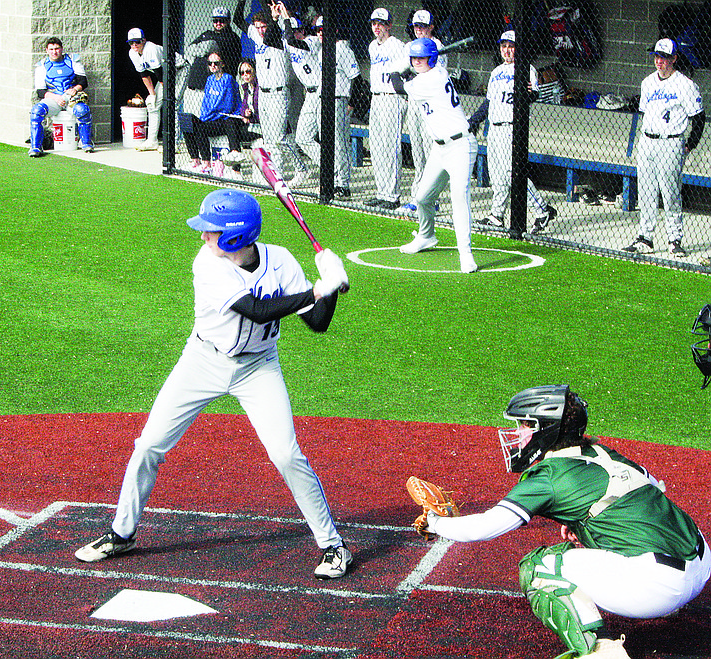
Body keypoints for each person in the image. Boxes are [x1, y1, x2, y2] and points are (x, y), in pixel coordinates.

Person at [75, 188, 353, 581]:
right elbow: (256, 311)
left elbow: (317, 321)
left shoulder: (281, 261)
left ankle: (333, 545)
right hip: (202, 361)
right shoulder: (206, 264)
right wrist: (317, 290)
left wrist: (332, 288)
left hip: (259, 368)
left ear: (236, 236)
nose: (204, 236)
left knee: (286, 454)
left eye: (212, 230)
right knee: (149, 444)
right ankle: (121, 534)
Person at [418, 384, 710, 659]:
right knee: (597, 538)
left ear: (545, 430)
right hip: (701, 563)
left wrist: (435, 522)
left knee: (539, 567)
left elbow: (485, 527)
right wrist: (587, 520)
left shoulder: (550, 477)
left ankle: (601, 651)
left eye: (524, 425)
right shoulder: (601, 453)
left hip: (658, 588)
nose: (517, 433)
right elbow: (652, 489)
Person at [389, 38, 478, 273]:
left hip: (460, 146)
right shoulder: (436, 73)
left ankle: (466, 254)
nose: (417, 62)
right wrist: (408, 68)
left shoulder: (429, 80)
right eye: (414, 58)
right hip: (440, 149)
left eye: (421, 58)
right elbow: (410, 80)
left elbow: (397, 85)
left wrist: (398, 70)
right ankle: (426, 236)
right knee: (422, 197)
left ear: (432, 59)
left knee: (459, 198)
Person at [468, 30, 557, 235]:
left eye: (511, 46)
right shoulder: (496, 71)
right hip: (494, 128)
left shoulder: (526, 68)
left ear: (518, 49)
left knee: (512, 173)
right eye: (504, 46)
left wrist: (528, 94)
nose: (507, 50)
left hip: (512, 127)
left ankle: (542, 210)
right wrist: (474, 120)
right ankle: (496, 215)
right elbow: (488, 102)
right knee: (497, 175)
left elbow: (533, 94)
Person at [623, 38, 705, 258]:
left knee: (670, 193)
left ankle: (674, 239)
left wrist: (691, 144)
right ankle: (645, 238)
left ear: (674, 59)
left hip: (671, 142)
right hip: (648, 142)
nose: (659, 61)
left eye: (664, 57)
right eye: (657, 56)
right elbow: (644, 112)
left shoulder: (685, 85)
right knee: (646, 191)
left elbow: (699, 118)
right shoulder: (647, 82)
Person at [234, 0, 307, 186]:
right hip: (263, 93)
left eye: (263, 27)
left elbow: (270, 37)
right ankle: (275, 175)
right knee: (269, 139)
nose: (260, 30)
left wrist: (275, 18)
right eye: (257, 27)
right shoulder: (257, 35)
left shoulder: (280, 40)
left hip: (278, 93)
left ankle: (298, 170)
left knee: (279, 139)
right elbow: (237, 20)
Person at [398, 10, 447, 216]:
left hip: (431, 106)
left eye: (423, 26)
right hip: (413, 103)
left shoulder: (438, 46)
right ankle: (417, 197)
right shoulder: (409, 46)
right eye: (416, 26)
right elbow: (402, 72)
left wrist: (410, 71)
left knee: (429, 153)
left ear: (431, 27)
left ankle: (431, 200)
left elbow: (432, 74)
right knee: (417, 154)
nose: (419, 29)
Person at [316, 16, 361, 200]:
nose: (320, 33)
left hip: (338, 99)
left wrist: (352, 103)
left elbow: (357, 78)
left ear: (333, 30)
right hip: (322, 100)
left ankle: (343, 184)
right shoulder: (322, 49)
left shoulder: (342, 48)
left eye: (323, 29)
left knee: (340, 144)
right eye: (318, 30)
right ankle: (331, 180)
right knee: (325, 142)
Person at [365, 8, 406, 210]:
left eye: (381, 23)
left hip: (392, 97)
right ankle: (382, 192)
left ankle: (392, 195)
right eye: (374, 23)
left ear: (389, 25)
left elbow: (406, 70)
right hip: (376, 97)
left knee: (390, 147)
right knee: (376, 147)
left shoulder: (397, 45)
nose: (377, 27)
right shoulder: (372, 46)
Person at [29, 37, 94, 156]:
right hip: (53, 98)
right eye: (51, 49)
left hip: (70, 97)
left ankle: (86, 143)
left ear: (62, 49)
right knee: (36, 111)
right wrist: (56, 98)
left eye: (57, 48)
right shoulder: (42, 66)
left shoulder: (72, 60)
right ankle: (36, 146)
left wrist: (75, 89)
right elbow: (40, 91)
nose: (54, 52)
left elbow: (83, 81)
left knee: (82, 110)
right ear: (47, 50)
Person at [280, 10, 322, 189]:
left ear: (303, 31)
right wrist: (276, 14)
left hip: (322, 91)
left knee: (326, 137)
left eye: (298, 31)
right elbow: (277, 39)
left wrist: (286, 18)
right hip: (310, 94)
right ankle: (328, 168)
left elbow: (292, 40)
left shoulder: (312, 41)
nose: (295, 34)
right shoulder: (289, 44)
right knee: (302, 138)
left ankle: (333, 172)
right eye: (292, 31)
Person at [183, 53, 241, 174]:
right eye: (210, 63)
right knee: (186, 120)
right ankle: (195, 160)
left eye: (216, 63)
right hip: (210, 118)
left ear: (222, 64)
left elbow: (227, 106)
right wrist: (204, 117)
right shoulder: (209, 79)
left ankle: (207, 163)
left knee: (200, 127)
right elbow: (205, 103)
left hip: (223, 119)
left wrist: (210, 113)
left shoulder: (228, 79)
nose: (213, 66)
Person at [184, 7, 243, 116]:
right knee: (190, 118)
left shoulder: (232, 38)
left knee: (208, 120)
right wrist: (205, 48)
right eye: (215, 20)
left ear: (228, 21)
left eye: (222, 20)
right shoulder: (207, 33)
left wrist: (204, 46)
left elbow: (210, 46)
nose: (218, 23)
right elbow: (189, 49)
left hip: (215, 88)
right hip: (195, 85)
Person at [126, 28, 165, 151]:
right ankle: (152, 141)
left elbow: (160, 74)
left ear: (143, 40)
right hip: (164, 76)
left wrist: (165, 92)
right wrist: (152, 94)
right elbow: (144, 75)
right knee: (153, 105)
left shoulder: (150, 48)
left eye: (137, 42)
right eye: (131, 42)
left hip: (179, 70)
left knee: (173, 105)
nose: (134, 45)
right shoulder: (132, 53)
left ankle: (175, 143)